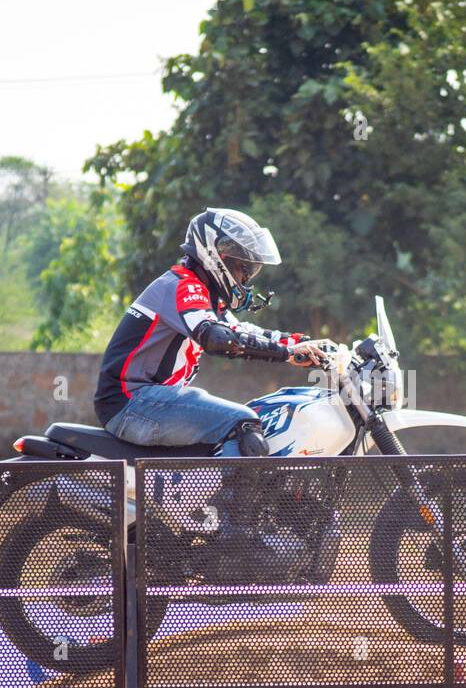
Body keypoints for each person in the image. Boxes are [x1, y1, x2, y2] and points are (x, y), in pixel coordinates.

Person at [93, 207, 329, 556]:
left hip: (146, 400)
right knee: (242, 424)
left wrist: (299, 344)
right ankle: (235, 540)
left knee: (244, 421)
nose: (246, 277)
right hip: (133, 401)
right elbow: (219, 339)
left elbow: (242, 331)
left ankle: (213, 521)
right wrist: (283, 354)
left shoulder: (200, 293)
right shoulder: (181, 286)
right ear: (213, 253)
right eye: (241, 267)